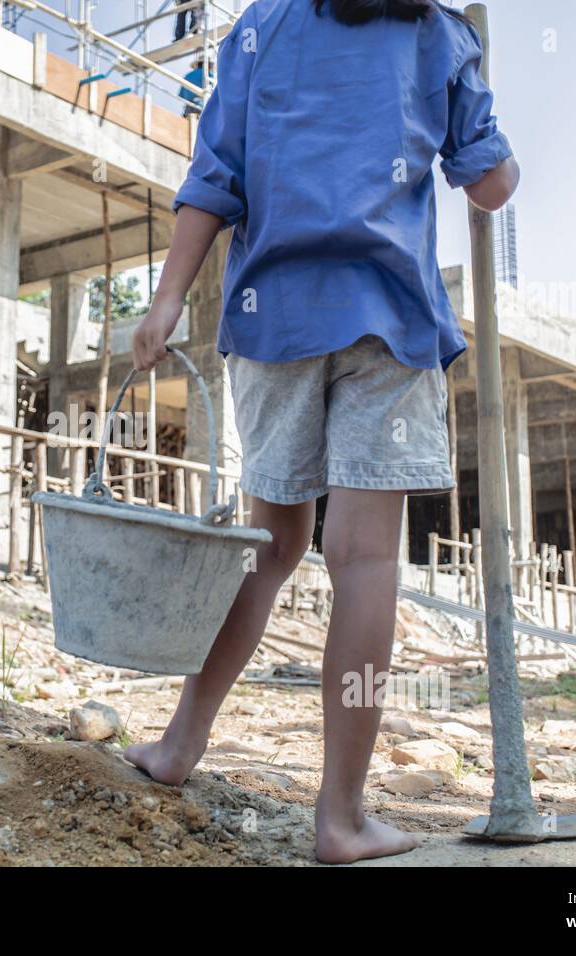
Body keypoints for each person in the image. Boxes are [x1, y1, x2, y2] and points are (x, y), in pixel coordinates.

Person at [126, 0, 519, 864]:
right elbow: (488, 182)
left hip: (276, 317)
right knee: (366, 561)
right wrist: (482, 128)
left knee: (269, 546)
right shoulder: (441, 35)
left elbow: (215, 178)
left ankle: (179, 746)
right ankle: (340, 819)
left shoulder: (262, 29)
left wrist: (164, 302)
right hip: (393, 320)